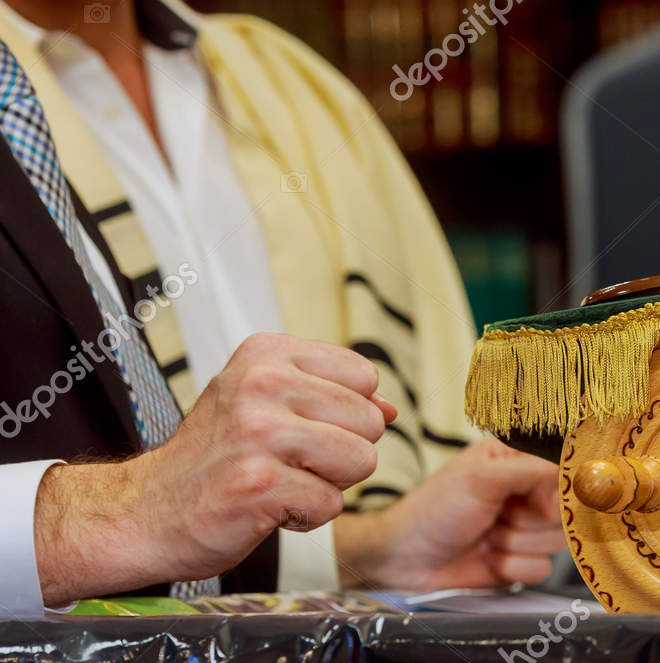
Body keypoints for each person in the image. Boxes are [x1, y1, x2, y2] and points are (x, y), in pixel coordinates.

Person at [0, 5, 563, 617]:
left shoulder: (288, 82)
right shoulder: (20, 108)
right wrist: (144, 505)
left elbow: (203, 528)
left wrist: (377, 552)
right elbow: (166, 515)